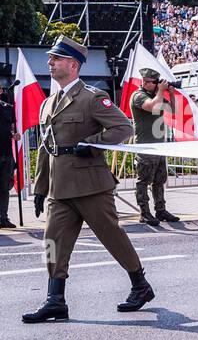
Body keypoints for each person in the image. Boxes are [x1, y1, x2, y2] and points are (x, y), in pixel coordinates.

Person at [22, 36, 156, 322]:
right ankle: (55, 299)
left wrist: (92, 143)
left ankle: (140, 285)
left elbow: (124, 127)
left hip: (91, 186)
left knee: (112, 237)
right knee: (52, 242)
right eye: (50, 58)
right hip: (59, 189)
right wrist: (40, 188)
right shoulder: (48, 104)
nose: (50, 62)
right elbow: (48, 149)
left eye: (55, 59)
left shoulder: (92, 97)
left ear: (72, 65)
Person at [128, 68, 182, 225]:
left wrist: (170, 93)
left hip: (159, 146)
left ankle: (160, 210)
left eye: (152, 82)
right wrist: (161, 92)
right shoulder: (139, 96)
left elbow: (173, 111)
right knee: (143, 180)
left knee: (159, 180)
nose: (149, 84)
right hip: (145, 146)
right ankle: (144, 213)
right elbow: (151, 107)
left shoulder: (156, 96)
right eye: (149, 82)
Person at [0, 87, 15, 229]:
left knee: (5, 188)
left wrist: (13, 134)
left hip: (7, 153)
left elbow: (8, 127)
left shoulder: (7, 108)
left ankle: (3, 218)